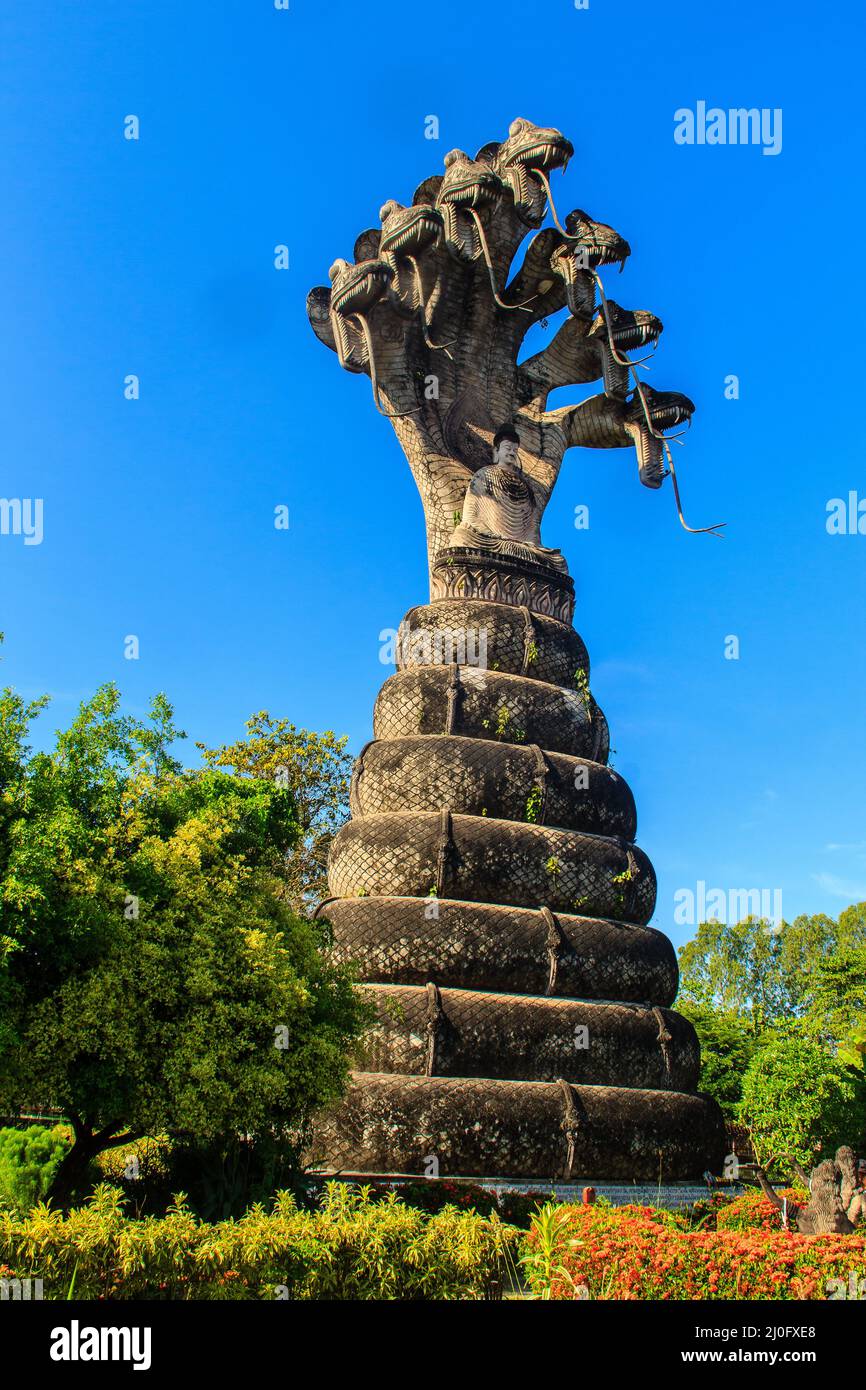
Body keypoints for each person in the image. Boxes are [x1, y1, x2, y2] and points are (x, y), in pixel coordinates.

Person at [447, 423, 568, 573]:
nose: (511, 453)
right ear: (496, 451)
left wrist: (531, 545)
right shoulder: (483, 475)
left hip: (522, 548)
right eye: (507, 448)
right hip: (489, 542)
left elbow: (532, 528)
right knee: (461, 538)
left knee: (559, 563)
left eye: (515, 450)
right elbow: (470, 517)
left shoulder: (525, 487)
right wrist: (492, 536)